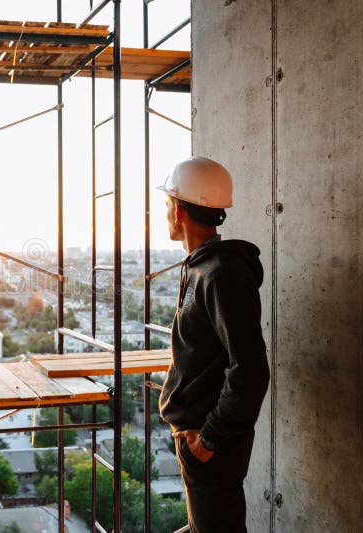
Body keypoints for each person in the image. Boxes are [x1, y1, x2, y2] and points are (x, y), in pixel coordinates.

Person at [158, 156, 270, 533]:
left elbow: (251, 369)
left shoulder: (220, 275)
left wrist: (209, 438)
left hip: (208, 442)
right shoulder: (202, 267)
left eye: (167, 204)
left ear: (178, 211)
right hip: (199, 438)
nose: (166, 211)